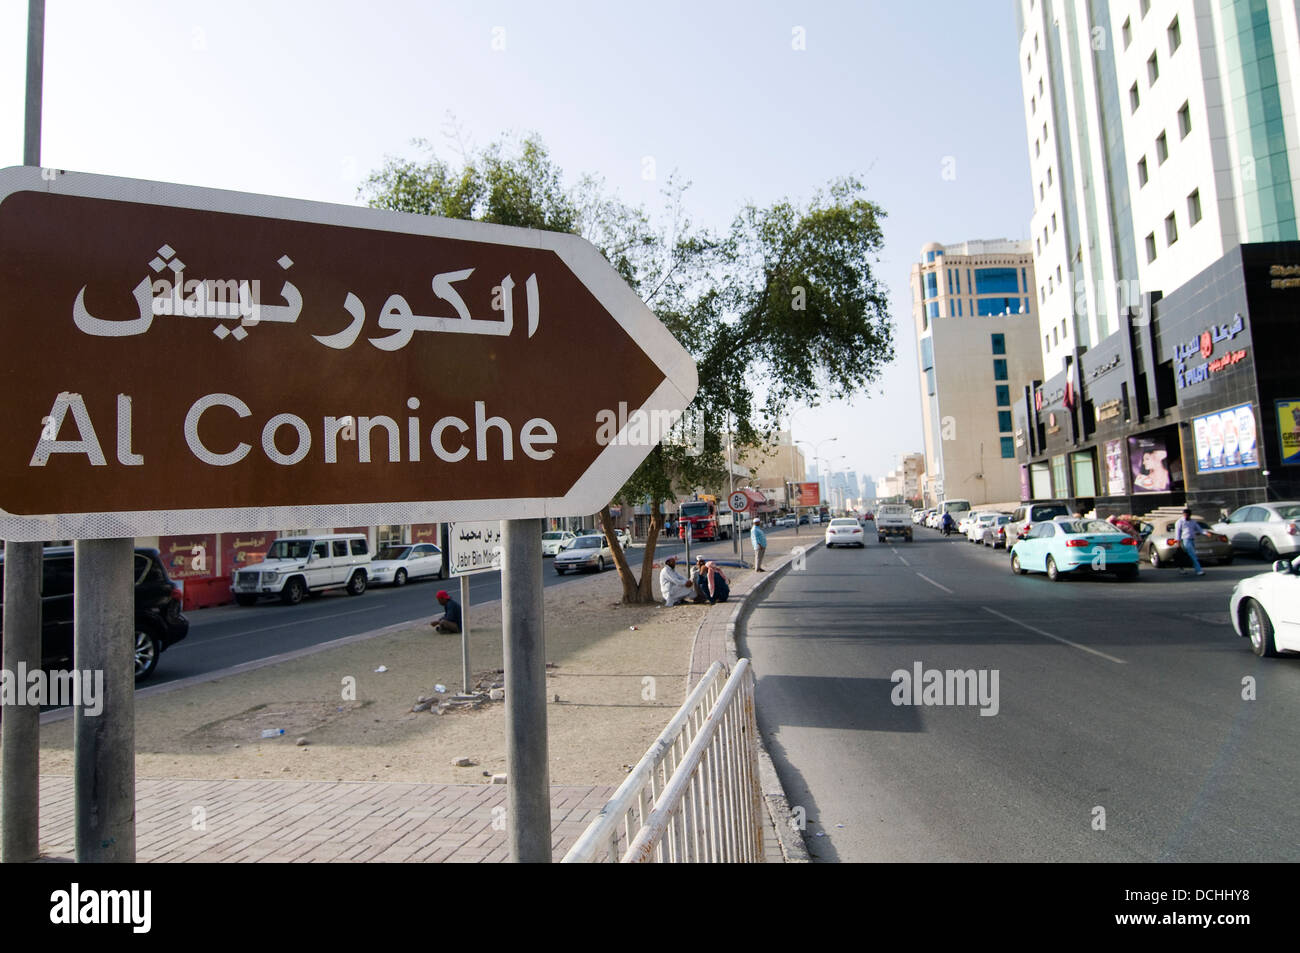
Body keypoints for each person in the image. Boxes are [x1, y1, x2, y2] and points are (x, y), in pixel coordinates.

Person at [1173, 507, 1206, 576]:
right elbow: (1177, 533)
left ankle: (1182, 568)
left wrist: (1206, 533)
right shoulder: (1180, 522)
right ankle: (1198, 570)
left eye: (1187, 515)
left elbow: (1199, 529)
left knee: (1188, 556)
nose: (1186, 516)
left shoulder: (1193, 522)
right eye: (1184, 514)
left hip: (1192, 540)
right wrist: (1178, 543)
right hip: (1185, 540)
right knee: (1192, 555)